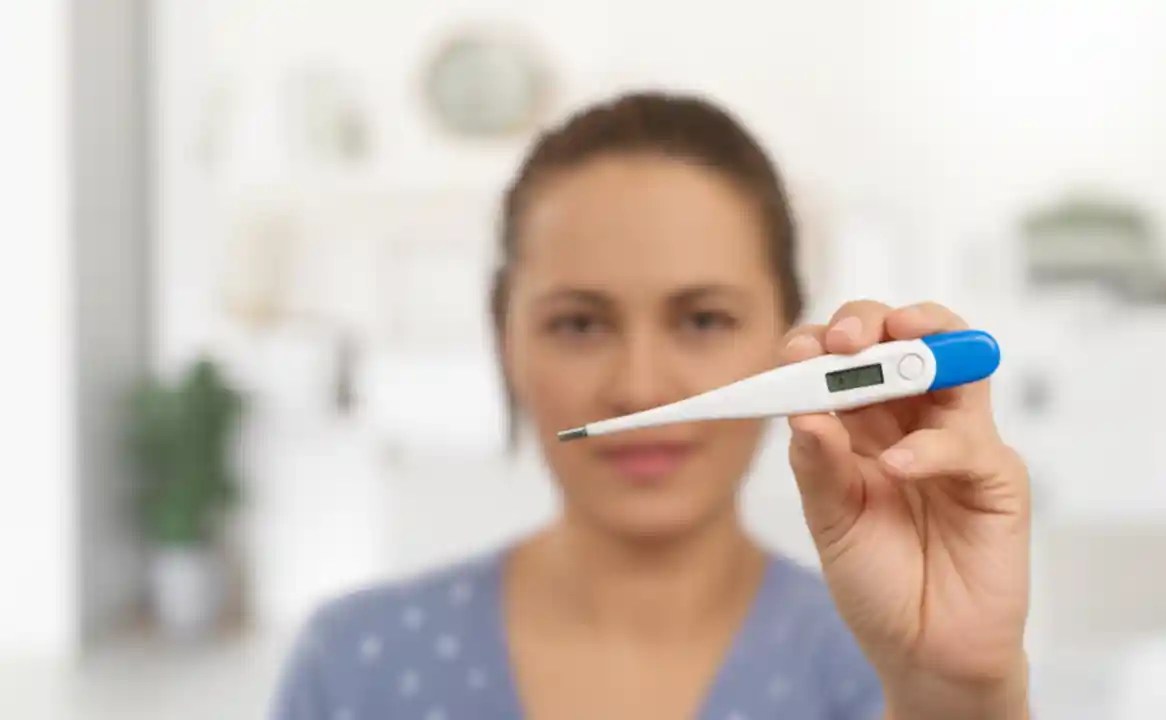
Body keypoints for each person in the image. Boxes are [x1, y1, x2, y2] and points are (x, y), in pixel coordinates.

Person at [272, 92, 1031, 720]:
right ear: (506, 340)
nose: (639, 388)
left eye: (703, 320)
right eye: (579, 323)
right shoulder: (355, 666)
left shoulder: (885, 661)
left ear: (791, 334)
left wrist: (956, 695)